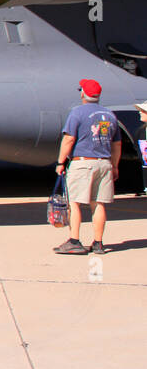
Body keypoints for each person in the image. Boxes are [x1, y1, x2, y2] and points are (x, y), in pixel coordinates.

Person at [54, 79, 121, 255]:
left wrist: (61, 162)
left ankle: (74, 240)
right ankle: (98, 243)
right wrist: (114, 166)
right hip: (104, 162)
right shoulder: (110, 114)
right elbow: (117, 144)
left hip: (82, 162)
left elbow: (69, 139)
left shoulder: (77, 113)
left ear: (83, 93)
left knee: (74, 203)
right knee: (99, 203)